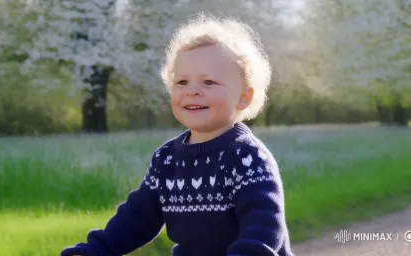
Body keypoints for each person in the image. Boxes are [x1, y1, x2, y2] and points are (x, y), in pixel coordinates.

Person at [61, 13, 294, 256]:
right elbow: (137, 217)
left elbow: (264, 225)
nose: (192, 91)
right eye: (182, 82)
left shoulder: (247, 157)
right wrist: (99, 249)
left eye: (209, 82)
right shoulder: (167, 160)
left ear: (244, 97)